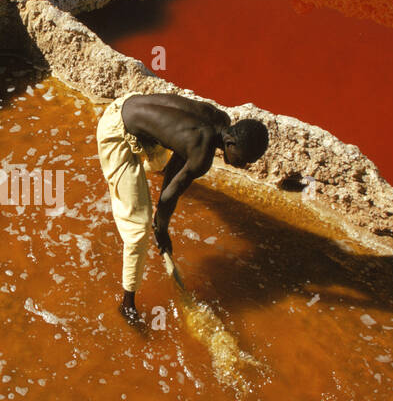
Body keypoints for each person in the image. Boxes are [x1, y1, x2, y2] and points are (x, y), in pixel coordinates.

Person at [95, 91, 269, 324]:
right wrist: (161, 229)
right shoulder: (202, 156)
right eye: (244, 159)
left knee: (160, 163)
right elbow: (169, 195)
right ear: (230, 142)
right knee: (139, 228)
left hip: (126, 104)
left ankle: (131, 177)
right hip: (115, 132)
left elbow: (177, 160)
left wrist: (162, 213)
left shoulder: (221, 119)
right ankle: (126, 304)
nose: (244, 165)